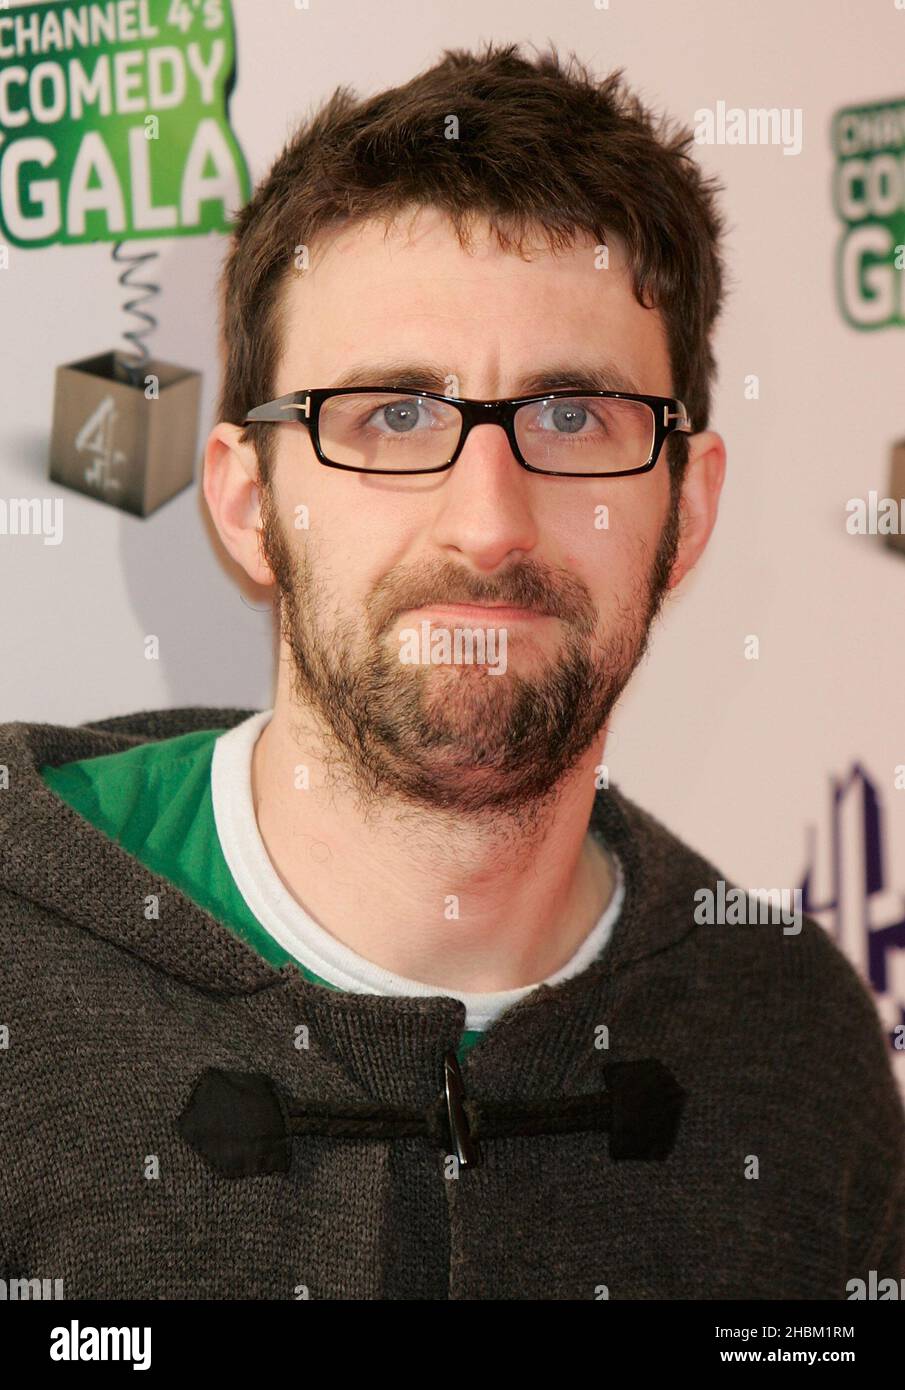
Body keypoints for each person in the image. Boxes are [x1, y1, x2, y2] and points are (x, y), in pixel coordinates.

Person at [0, 41, 901, 1301]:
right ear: (249, 502)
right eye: (391, 416)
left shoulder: (793, 1050)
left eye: (574, 417)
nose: (488, 522)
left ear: (684, 515)